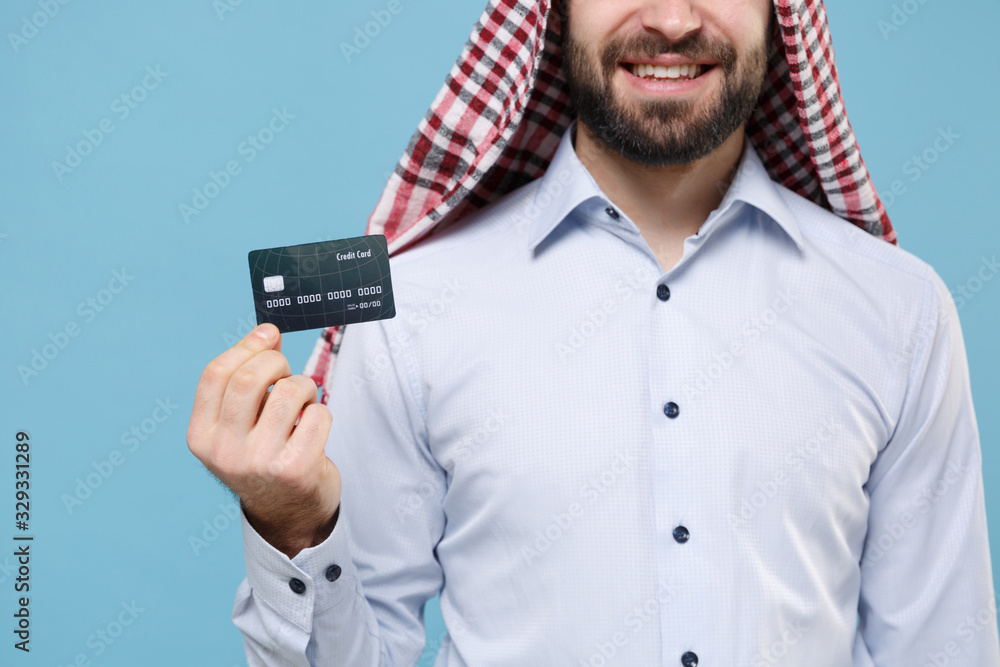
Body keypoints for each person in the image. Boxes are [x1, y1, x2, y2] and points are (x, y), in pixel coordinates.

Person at [187, 0, 1000, 665]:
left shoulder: (900, 312)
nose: (675, 21)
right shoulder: (418, 308)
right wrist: (293, 528)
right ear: (555, 11)